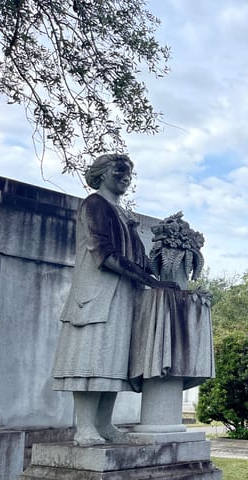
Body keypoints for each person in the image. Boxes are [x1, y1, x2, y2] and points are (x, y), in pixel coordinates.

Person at [51, 154, 177, 446]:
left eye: (130, 172)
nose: (126, 175)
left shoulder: (123, 214)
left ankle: (104, 424)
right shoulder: (95, 204)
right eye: (119, 170)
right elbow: (103, 254)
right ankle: (84, 428)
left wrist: (165, 250)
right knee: (90, 360)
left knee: (112, 363)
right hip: (97, 296)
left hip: (122, 297)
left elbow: (141, 261)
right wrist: (149, 281)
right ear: (102, 173)